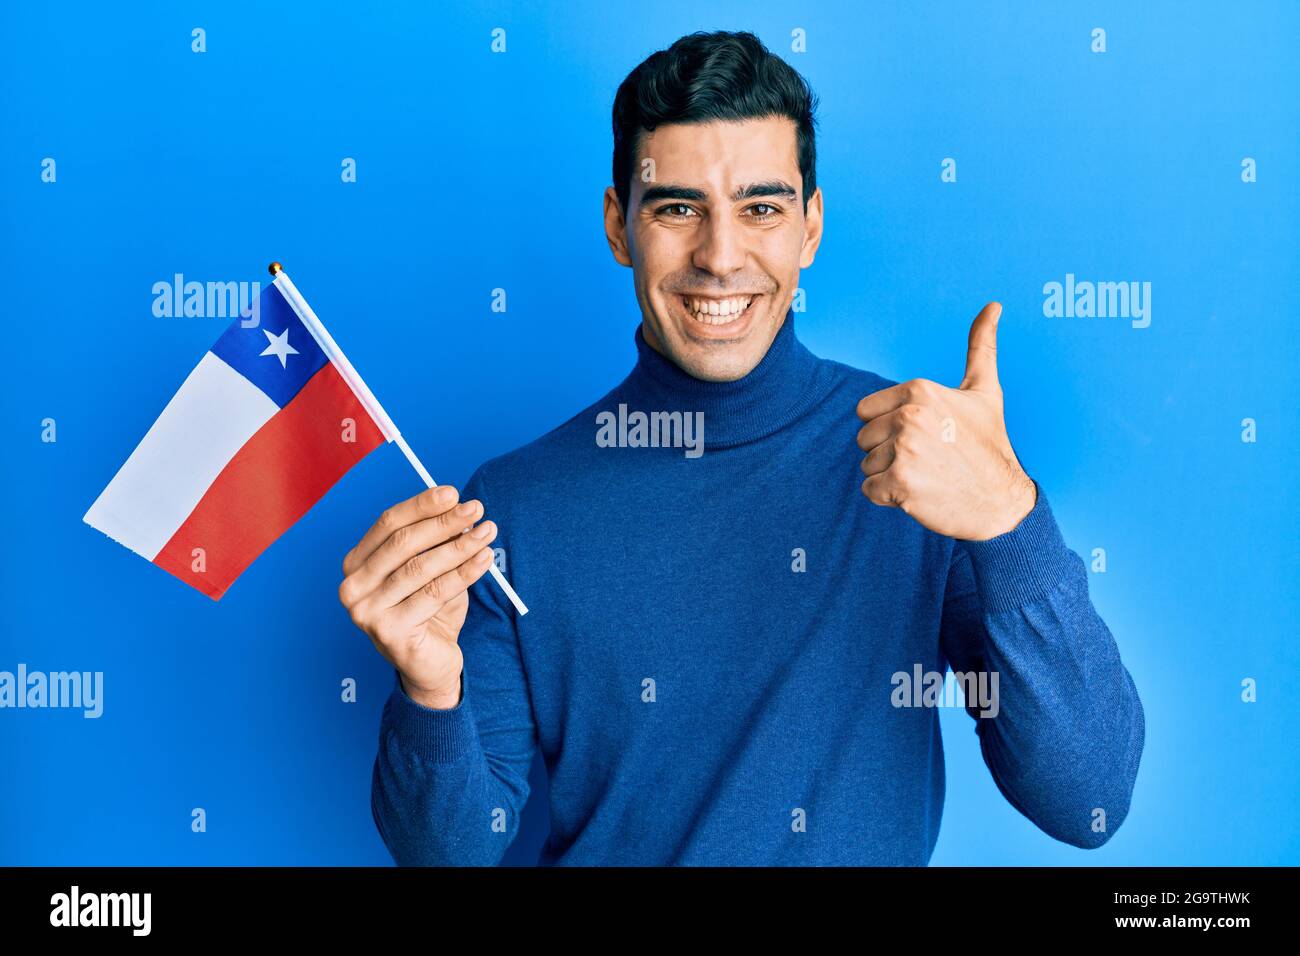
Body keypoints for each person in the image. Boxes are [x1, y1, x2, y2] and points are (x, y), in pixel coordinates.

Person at [341, 30, 1145, 865]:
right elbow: (454, 852)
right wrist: (430, 691)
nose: (720, 257)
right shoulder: (513, 507)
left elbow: (1088, 799)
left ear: (810, 227)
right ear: (620, 226)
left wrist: (1012, 522)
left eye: (761, 208)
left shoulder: (923, 467)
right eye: (677, 207)